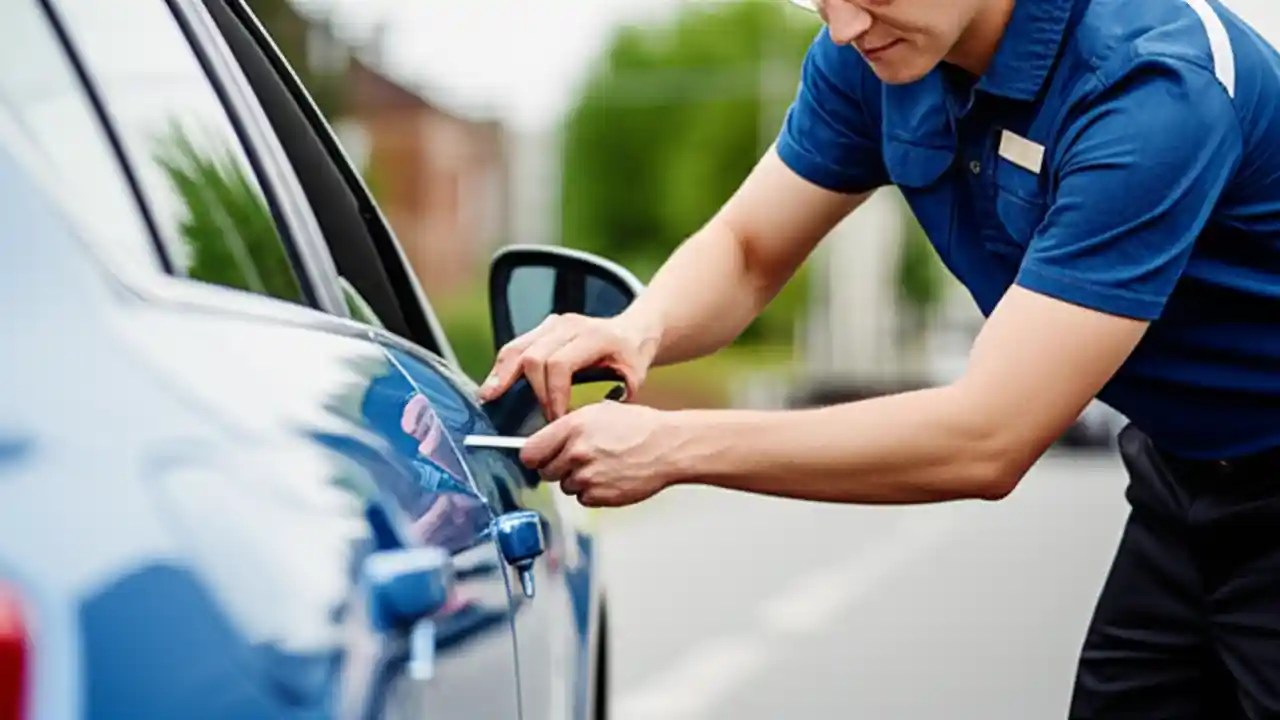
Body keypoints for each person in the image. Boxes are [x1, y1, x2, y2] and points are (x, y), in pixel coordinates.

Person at [479, 0, 1280, 716]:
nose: (842, 26)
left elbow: (988, 437)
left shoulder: (1152, 87)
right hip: (1182, 480)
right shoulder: (878, 47)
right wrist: (638, 328)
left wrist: (674, 446)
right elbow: (750, 249)